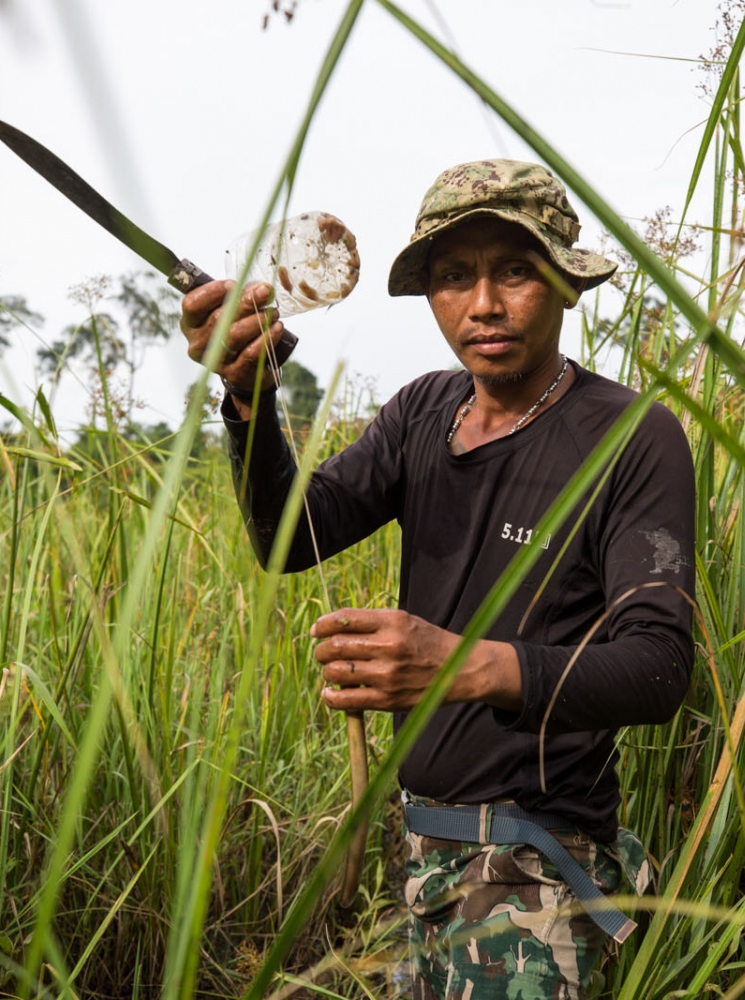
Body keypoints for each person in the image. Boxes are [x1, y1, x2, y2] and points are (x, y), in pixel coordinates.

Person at [180, 160, 695, 1000]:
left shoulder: (630, 437)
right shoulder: (424, 411)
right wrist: (248, 400)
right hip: (419, 854)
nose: (482, 304)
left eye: (515, 271)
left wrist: (459, 666)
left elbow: (658, 667)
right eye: (454, 276)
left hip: (534, 873)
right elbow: (289, 536)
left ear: (565, 283)